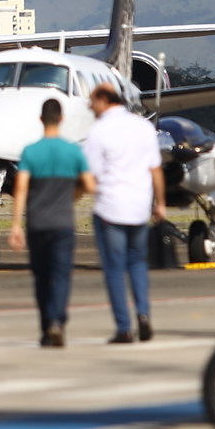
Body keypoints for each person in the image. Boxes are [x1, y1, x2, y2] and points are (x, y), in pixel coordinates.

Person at [7, 97, 95, 347]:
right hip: (62, 223)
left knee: (41, 276)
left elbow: (21, 188)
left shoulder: (30, 152)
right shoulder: (73, 151)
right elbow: (89, 185)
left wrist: (16, 224)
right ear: (62, 119)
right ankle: (58, 321)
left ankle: (46, 325)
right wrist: (74, 193)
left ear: (40, 119)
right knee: (61, 274)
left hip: (37, 224)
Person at [83, 82, 166, 343]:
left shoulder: (98, 131)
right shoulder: (143, 127)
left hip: (111, 208)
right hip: (140, 207)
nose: (90, 107)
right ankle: (143, 313)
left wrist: (92, 192)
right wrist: (160, 203)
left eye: (91, 102)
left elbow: (90, 174)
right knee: (138, 262)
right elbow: (155, 169)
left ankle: (124, 327)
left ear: (103, 100)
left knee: (114, 268)